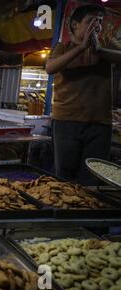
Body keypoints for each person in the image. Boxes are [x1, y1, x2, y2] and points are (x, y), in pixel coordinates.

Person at [46, 4, 121, 185]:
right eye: (90, 21)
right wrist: (81, 48)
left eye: (100, 22)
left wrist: (98, 51)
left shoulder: (107, 45)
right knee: (64, 175)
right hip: (67, 121)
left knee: (93, 177)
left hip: (99, 123)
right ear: (75, 25)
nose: (96, 26)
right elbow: (50, 67)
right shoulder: (63, 47)